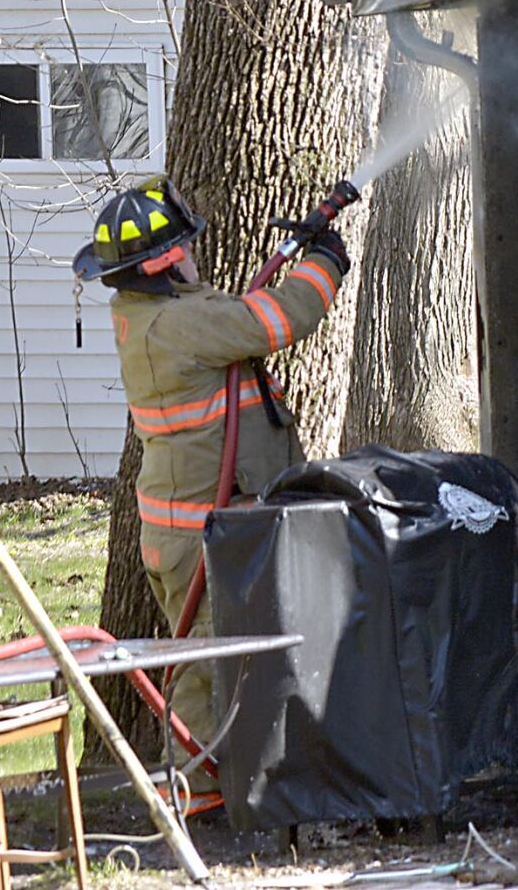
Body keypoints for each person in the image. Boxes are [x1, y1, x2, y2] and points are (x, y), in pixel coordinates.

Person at [73, 177, 347, 813]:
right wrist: (326, 260)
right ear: (166, 263)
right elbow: (284, 318)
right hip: (203, 532)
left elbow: (232, 322)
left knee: (206, 654)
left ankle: (215, 784)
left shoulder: (149, 315)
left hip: (190, 526)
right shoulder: (183, 322)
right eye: (186, 248)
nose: (197, 256)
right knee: (202, 658)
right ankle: (196, 793)